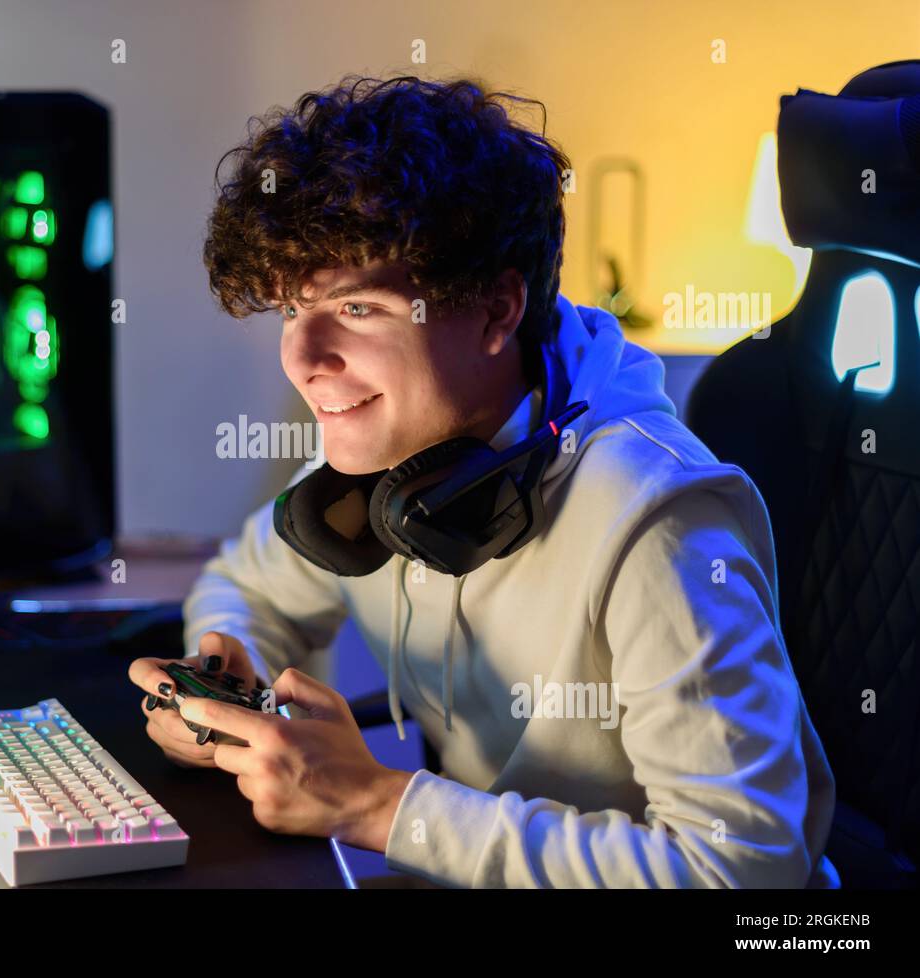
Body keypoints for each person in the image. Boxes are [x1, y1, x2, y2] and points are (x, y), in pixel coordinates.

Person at [128, 74, 837, 888]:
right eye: (292, 309)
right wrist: (225, 676)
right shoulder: (392, 454)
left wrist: (378, 807)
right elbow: (243, 585)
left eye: (357, 309)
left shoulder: (658, 524)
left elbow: (740, 868)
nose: (302, 359)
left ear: (499, 311)